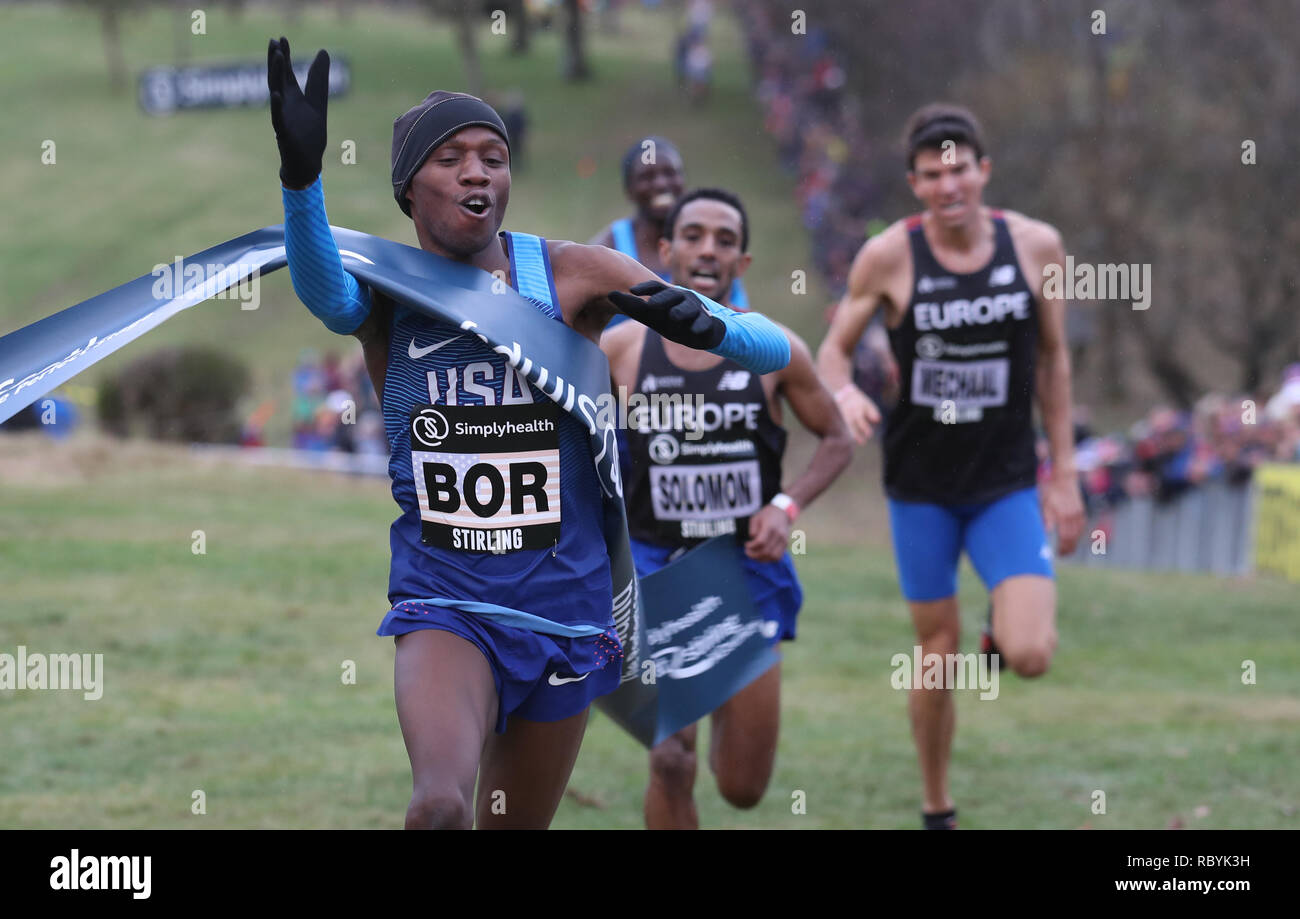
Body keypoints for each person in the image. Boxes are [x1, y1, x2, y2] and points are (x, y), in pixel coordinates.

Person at [266, 38, 790, 829]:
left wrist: (715, 324)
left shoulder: (573, 274)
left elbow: (772, 346)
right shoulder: (386, 292)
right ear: (410, 187)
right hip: (446, 600)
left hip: (566, 613)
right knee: (440, 805)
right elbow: (324, 293)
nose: (478, 171)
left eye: (493, 155)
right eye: (451, 157)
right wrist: (302, 183)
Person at [816, 103, 1084, 829]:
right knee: (937, 651)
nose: (948, 185)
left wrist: (1064, 472)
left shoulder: (1037, 247)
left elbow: (1055, 361)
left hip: (1003, 480)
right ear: (914, 184)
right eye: (932, 175)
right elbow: (833, 348)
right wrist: (842, 391)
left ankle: (1001, 632)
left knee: (1029, 652)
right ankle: (938, 805)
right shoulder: (890, 257)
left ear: (983, 171)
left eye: (959, 169)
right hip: (922, 487)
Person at [601, 188, 851, 829]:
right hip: (656, 571)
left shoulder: (774, 350)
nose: (707, 248)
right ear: (665, 250)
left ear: (742, 260)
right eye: (693, 235)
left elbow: (838, 438)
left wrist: (786, 506)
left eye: (723, 239)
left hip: (745, 572)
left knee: (742, 787)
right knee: (670, 763)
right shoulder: (623, 349)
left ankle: (717, 717)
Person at [590, 137, 749, 323]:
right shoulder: (607, 249)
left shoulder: (715, 251)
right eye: (646, 177)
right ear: (629, 190)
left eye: (670, 173)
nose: (661, 184)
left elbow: (738, 319)